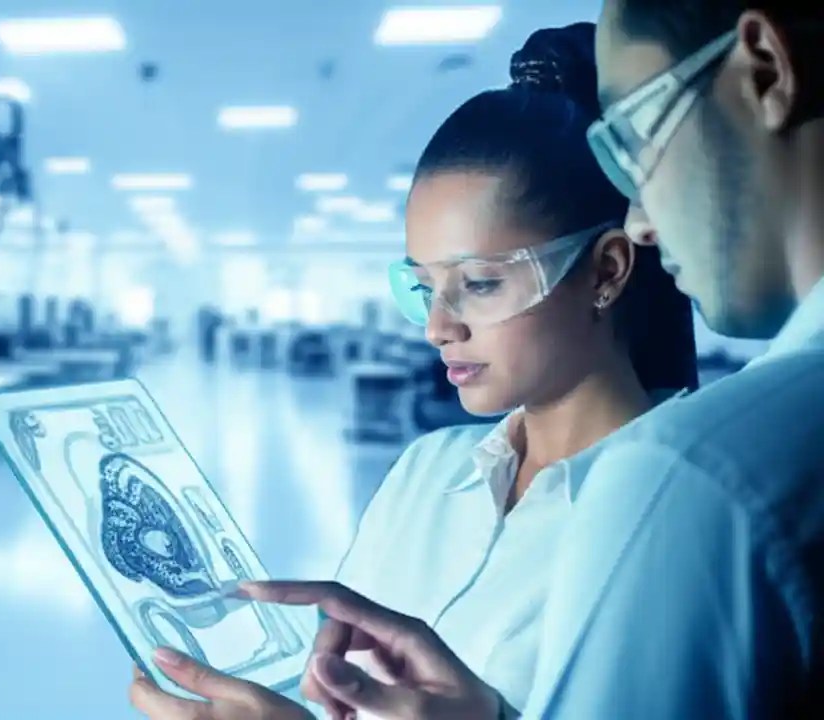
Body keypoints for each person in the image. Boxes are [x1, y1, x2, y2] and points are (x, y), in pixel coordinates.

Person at [192, 3, 824, 720]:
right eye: (422, 288)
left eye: (481, 283)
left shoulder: (671, 491)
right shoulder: (422, 475)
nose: (437, 327)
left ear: (608, 271)